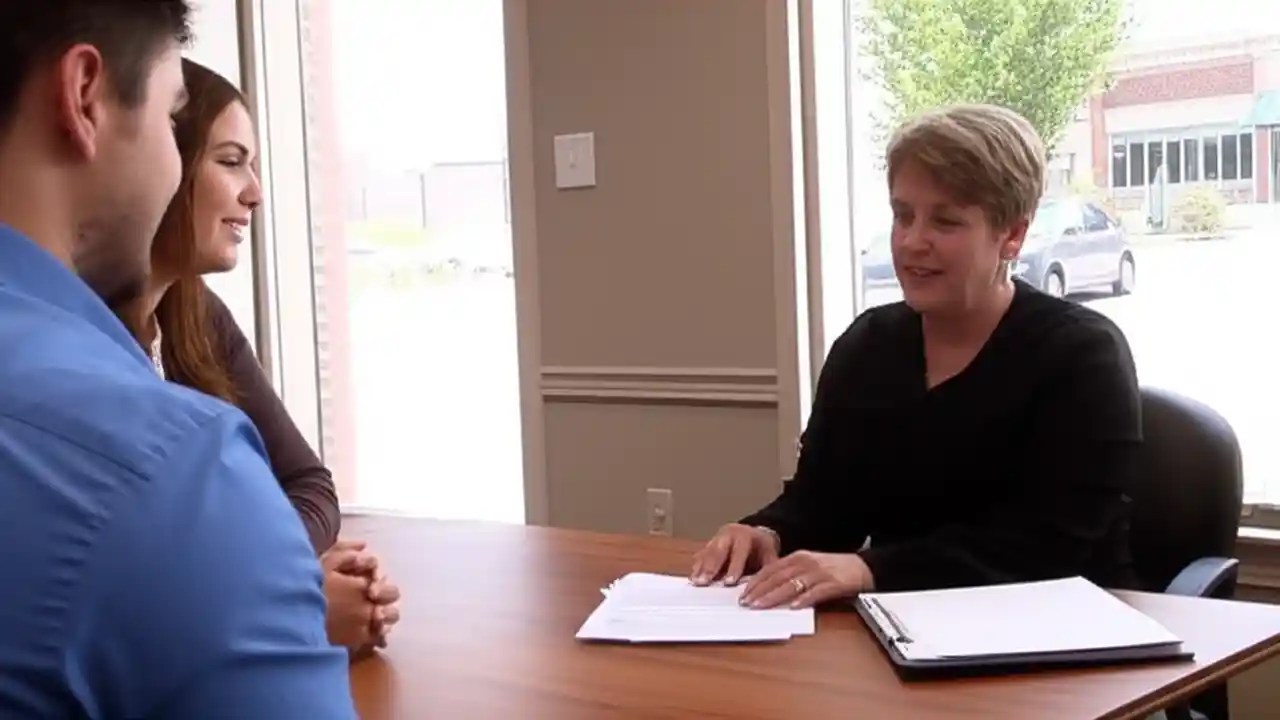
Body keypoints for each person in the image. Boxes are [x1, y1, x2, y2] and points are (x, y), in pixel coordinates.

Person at [0, 3, 355, 717]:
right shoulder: (171, 470)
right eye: (170, 118)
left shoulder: (193, 338)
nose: (254, 192)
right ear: (84, 96)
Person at [690, 103, 1142, 610]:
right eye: (902, 215)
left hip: (1066, 629)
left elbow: (1050, 546)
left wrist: (870, 569)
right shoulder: (868, 345)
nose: (911, 242)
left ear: (1012, 235)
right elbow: (824, 504)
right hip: (903, 625)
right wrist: (768, 533)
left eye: (945, 222)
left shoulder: (1081, 355)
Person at [111, 57, 401, 653]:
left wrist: (280, 576)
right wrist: (285, 598)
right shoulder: (76, 343)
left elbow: (309, 484)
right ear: (162, 163)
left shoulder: (198, 315)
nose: (255, 193)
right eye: (229, 161)